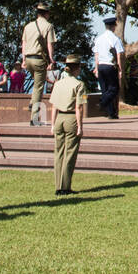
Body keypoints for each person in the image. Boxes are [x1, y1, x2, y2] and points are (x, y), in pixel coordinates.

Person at [49, 54, 87, 195]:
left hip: (59, 118)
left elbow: (53, 106)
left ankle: (58, 185)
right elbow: (79, 107)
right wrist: (80, 127)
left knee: (58, 153)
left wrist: (52, 125)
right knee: (70, 153)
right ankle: (65, 186)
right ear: (77, 68)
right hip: (71, 119)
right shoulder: (79, 85)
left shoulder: (58, 84)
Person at [20, 2, 56, 126]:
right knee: (38, 87)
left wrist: (23, 60)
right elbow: (50, 44)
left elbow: (23, 44)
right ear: (46, 13)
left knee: (36, 84)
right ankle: (34, 118)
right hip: (39, 59)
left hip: (28, 59)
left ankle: (32, 101)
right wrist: (51, 59)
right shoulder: (48, 26)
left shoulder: (28, 26)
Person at [93, 17, 124, 119]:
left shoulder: (98, 39)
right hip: (110, 66)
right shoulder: (115, 39)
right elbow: (118, 55)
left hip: (101, 65)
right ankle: (103, 103)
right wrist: (120, 69)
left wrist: (96, 68)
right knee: (114, 88)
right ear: (112, 26)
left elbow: (96, 55)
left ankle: (111, 113)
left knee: (105, 90)